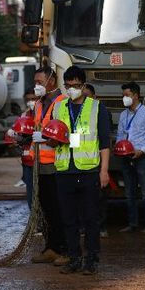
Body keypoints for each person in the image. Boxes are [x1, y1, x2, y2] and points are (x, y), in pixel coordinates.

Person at [50, 66, 111, 275]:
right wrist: (50, 139)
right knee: (68, 219)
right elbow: (52, 137)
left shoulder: (97, 109)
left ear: (84, 86)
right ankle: (74, 258)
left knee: (90, 218)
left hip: (89, 171)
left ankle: (91, 259)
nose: (71, 90)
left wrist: (104, 171)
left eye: (75, 86)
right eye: (67, 86)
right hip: (65, 171)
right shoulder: (58, 108)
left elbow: (104, 143)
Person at [29, 66, 69, 265]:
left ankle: (64, 249)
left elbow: (64, 134)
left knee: (60, 209)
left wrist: (44, 138)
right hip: (40, 165)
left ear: (51, 81)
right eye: (35, 82)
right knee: (46, 209)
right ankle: (51, 247)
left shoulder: (62, 103)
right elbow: (35, 128)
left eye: (39, 82)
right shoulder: (38, 104)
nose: (36, 85)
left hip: (57, 165)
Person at [116, 81, 145, 233]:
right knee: (129, 192)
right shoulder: (123, 114)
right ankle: (132, 223)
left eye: (127, 95)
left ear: (135, 96)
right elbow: (121, 134)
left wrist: (141, 150)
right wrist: (120, 146)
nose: (124, 98)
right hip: (126, 156)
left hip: (141, 156)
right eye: (123, 95)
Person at [84, 83, 111, 238]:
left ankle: (101, 227)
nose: (85, 99)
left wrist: (104, 169)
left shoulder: (101, 111)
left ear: (94, 97)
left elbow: (104, 140)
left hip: (98, 161)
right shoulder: (75, 112)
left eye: (87, 96)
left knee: (99, 197)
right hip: (82, 164)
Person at [7, 91, 38, 208]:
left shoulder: (44, 114)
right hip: (27, 159)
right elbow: (20, 135)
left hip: (42, 160)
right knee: (30, 190)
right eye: (28, 99)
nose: (31, 102)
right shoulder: (24, 116)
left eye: (34, 99)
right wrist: (15, 137)